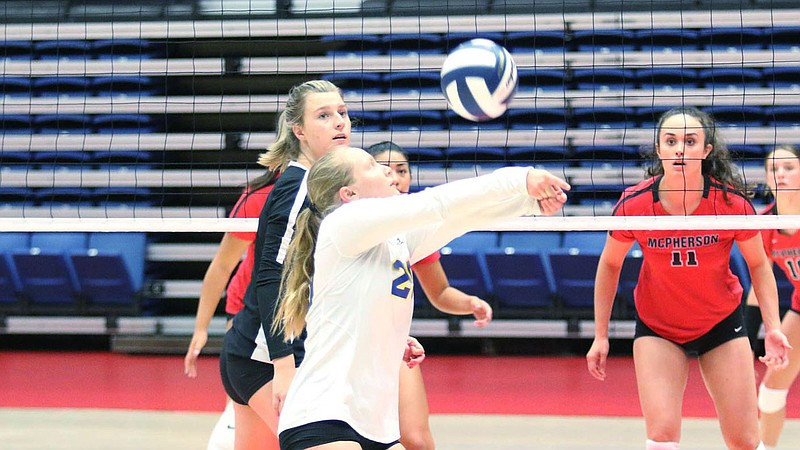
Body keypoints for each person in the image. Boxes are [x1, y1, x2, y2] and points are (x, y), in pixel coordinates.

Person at [273, 146, 570, 449]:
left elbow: (459, 218)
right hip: (322, 417)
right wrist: (520, 179)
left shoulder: (396, 240)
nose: (389, 170)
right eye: (373, 167)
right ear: (349, 194)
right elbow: (437, 203)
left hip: (376, 426)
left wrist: (527, 202)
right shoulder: (343, 222)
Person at [585, 106, 791, 450]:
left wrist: (772, 327)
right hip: (658, 327)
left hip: (721, 324)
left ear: (706, 150)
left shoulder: (730, 203)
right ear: (660, 149)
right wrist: (600, 335)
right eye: (671, 141)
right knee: (662, 435)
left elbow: (759, 264)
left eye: (690, 141)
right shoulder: (634, 204)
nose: (680, 148)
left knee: (744, 440)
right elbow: (609, 266)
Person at [219, 79, 352, 450]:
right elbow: (270, 278)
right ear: (299, 131)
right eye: (324, 116)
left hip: (252, 354)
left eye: (342, 113)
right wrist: (283, 366)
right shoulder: (299, 186)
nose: (340, 122)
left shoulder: (329, 187)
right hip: (264, 359)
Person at [366, 141, 494, 450]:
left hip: (392, 342)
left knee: (418, 440)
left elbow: (439, 291)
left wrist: (470, 303)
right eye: (387, 170)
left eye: (403, 170)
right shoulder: (349, 223)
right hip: (348, 345)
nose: (396, 177)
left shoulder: (411, 230)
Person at [183, 169, 280, 450]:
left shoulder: (340, 188)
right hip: (248, 308)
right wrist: (201, 329)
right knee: (242, 404)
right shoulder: (260, 196)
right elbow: (222, 265)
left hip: (301, 309)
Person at [744, 144, 800, 450]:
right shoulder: (765, 224)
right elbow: (758, 287)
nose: (781, 173)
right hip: (799, 310)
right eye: (774, 169)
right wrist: (746, 344)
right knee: (769, 395)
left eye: (789, 167)